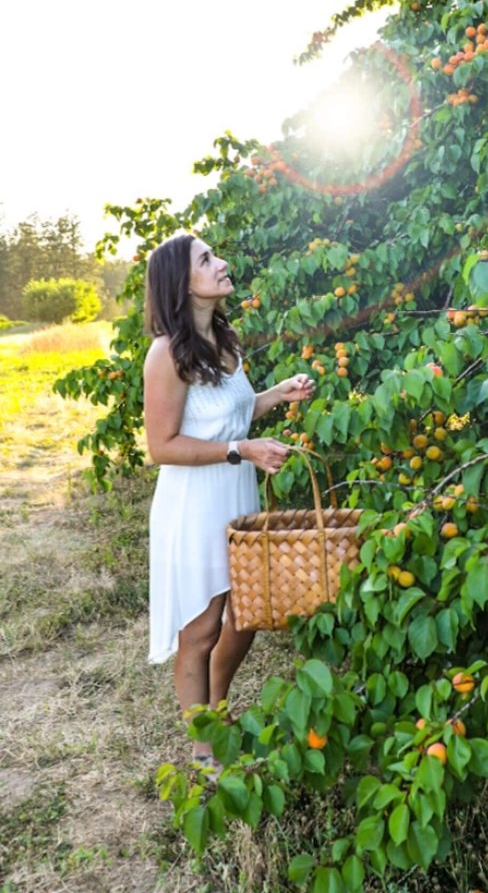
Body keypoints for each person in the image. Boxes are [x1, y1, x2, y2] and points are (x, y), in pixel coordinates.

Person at [142, 232, 314, 767]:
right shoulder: (167, 354)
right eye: (207, 259)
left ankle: (216, 708)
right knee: (201, 628)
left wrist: (275, 395)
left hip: (236, 496)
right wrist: (242, 450)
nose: (223, 264)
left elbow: (231, 419)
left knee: (246, 614)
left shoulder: (225, 338)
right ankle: (203, 749)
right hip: (194, 504)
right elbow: (161, 446)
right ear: (181, 282)